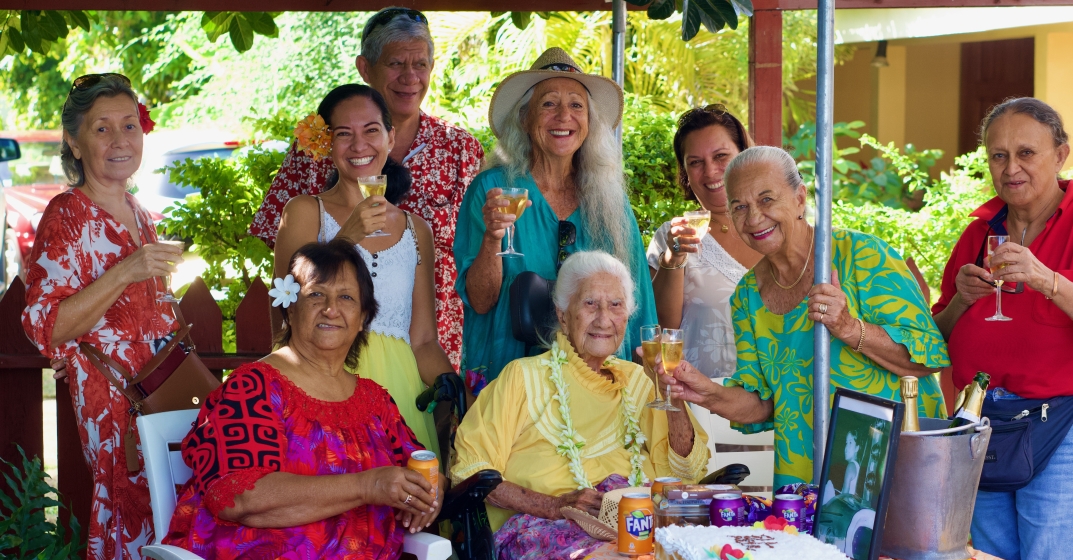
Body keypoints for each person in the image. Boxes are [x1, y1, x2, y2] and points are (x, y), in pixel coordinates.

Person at [157, 240, 451, 560]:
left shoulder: (374, 401)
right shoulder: (253, 387)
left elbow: (420, 467)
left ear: (364, 316)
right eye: (316, 295)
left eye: (346, 297)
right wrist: (370, 485)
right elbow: (241, 497)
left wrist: (426, 495)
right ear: (290, 308)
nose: (331, 308)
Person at [932, 97, 1073, 560]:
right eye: (998, 155)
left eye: (1026, 152)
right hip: (986, 429)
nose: (1011, 167)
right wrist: (961, 299)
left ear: (1061, 154)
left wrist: (1048, 280)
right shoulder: (980, 231)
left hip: (1064, 429)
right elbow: (934, 337)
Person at [450, 251, 709, 560]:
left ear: (628, 316)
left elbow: (688, 473)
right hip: (544, 533)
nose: (604, 318)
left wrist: (669, 393)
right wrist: (555, 506)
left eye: (616, 305)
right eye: (590, 304)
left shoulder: (642, 382)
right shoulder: (522, 378)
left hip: (639, 534)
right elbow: (471, 473)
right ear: (562, 314)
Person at [661, 146, 949, 490]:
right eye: (739, 207)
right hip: (809, 475)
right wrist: (706, 393)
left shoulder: (862, 255)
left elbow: (929, 356)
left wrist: (849, 327)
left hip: (894, 461)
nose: (753, 219)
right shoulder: (747, 296)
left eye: (767, 200)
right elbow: (763, 404)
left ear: (799, 199)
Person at [21, 73, 177, 560]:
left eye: (129, 125)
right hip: (114, 401)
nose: (119, 139)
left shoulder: (139, 211)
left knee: (146, 523)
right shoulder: (67, 213)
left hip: (153, 395)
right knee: (137, 521)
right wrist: (129, 270)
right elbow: (47, 324)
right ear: (75, 141)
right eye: (102, 128)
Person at [250, 7, 484, 370]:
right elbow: (286, 284)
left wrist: (448, 385)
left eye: (420, 64)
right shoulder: (314, 149)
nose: (410, 77)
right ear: (365, 67)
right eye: (395, 64)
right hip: (325, 354)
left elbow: (475, 255)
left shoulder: (461, 151)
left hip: (425, 354)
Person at [455, 47, 656, 394]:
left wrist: (649, 393)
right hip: (511, 387)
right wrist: (492, 237)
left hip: (599, 384)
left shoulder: (610, 201)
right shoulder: (492, 189)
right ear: (525, 119)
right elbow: (481, 301)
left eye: (576, 105)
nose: (564, 116)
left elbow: (639, 307)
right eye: (549, 103)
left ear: (589, 122)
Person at [274, 84, 455, 456]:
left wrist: (454, 388)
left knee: (405, 506)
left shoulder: (416, 229)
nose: (359, 145)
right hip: (321, 383)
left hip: (400, 393)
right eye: (344, 134)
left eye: (371, 130)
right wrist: (345, 238)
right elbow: (285, 313)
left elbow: (422, 340)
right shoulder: (304, 212)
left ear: (390, 137)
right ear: (327, 143)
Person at [647, 105, 763, 378]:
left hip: (784, 400)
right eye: (695, 162)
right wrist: (672, 261)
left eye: (721, 156)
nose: (710, 172)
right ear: (685, 173)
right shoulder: (673, 236)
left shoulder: (777, 231)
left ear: (744, 156)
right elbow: (661, 330)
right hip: (703, 404)